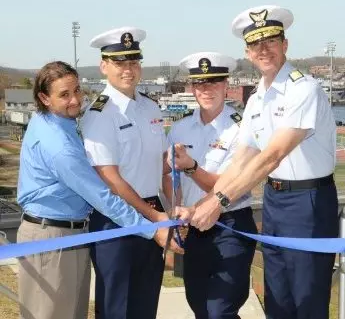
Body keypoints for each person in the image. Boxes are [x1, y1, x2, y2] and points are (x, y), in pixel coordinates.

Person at [177, 5, 338, 319]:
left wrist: (219, 201)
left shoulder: (303, 89)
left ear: (285, 44)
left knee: (306, 300)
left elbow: (272, 156)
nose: (264, 50)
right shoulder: (256, 98)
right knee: (277, 299)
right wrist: (204, 205)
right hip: (274, 201)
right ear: (248, 53)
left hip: (309, 203)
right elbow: (242, 160)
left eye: (270, 41)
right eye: (255, 44)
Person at [17, 61, 167, 319]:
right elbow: (102, 196)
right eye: (64, 95)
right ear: (44, 97)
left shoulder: (54, 121)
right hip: (51, 237)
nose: (75, 100)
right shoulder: (58, 145)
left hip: (69, 235)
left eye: (77, 90)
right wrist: (151, 228)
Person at [80, 26, 183, 319]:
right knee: (117, 309)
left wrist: (172, 209)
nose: (128, 69)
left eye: (133, 61)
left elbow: (163, 165)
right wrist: (156, 219)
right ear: (103, 66)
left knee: (145, 304)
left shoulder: (150, 108)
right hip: (117, 223)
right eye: (119, 62)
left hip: (155, 214)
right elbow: (109, 178)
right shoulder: (99, 114)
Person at [165, 52, 257, 318]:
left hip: (230, 224)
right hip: (193, 228)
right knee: (200, 307)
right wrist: (177, 207)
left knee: (221, 311)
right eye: (200, 84)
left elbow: (228, 185)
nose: (207, 90)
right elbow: (170, 175)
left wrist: (192, 166)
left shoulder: (241, 129)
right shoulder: (180, 128)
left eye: (214, 82)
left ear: (226, 85)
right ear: (193, 88)